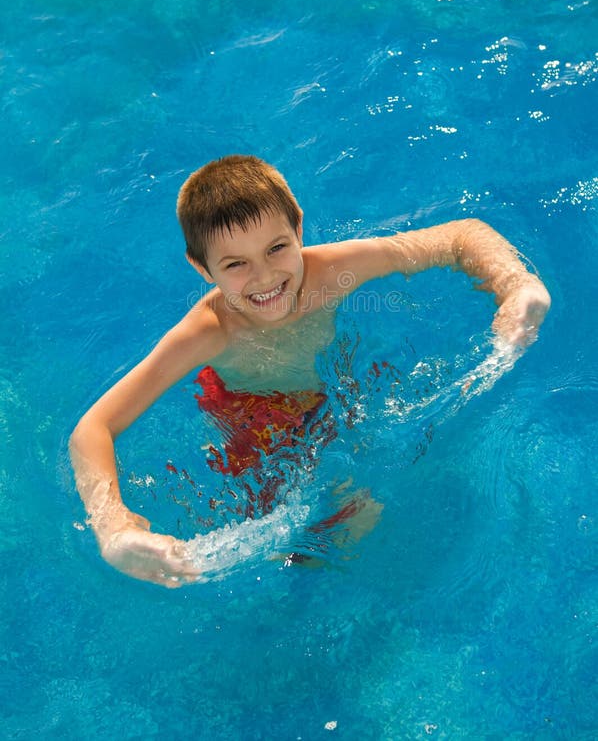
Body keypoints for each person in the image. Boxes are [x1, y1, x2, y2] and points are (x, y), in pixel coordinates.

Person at [70, 154, 551, 587]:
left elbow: (461, 234)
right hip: (254, 412)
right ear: (201, 268)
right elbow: (93, 428)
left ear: (299, 228)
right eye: (235, 264)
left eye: (276, 248)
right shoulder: (208, 333)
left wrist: (515, 285)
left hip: (327, 386)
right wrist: (111, 526)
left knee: (367, 505)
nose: (265, 278)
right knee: (338, 525)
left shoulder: (332, 272)